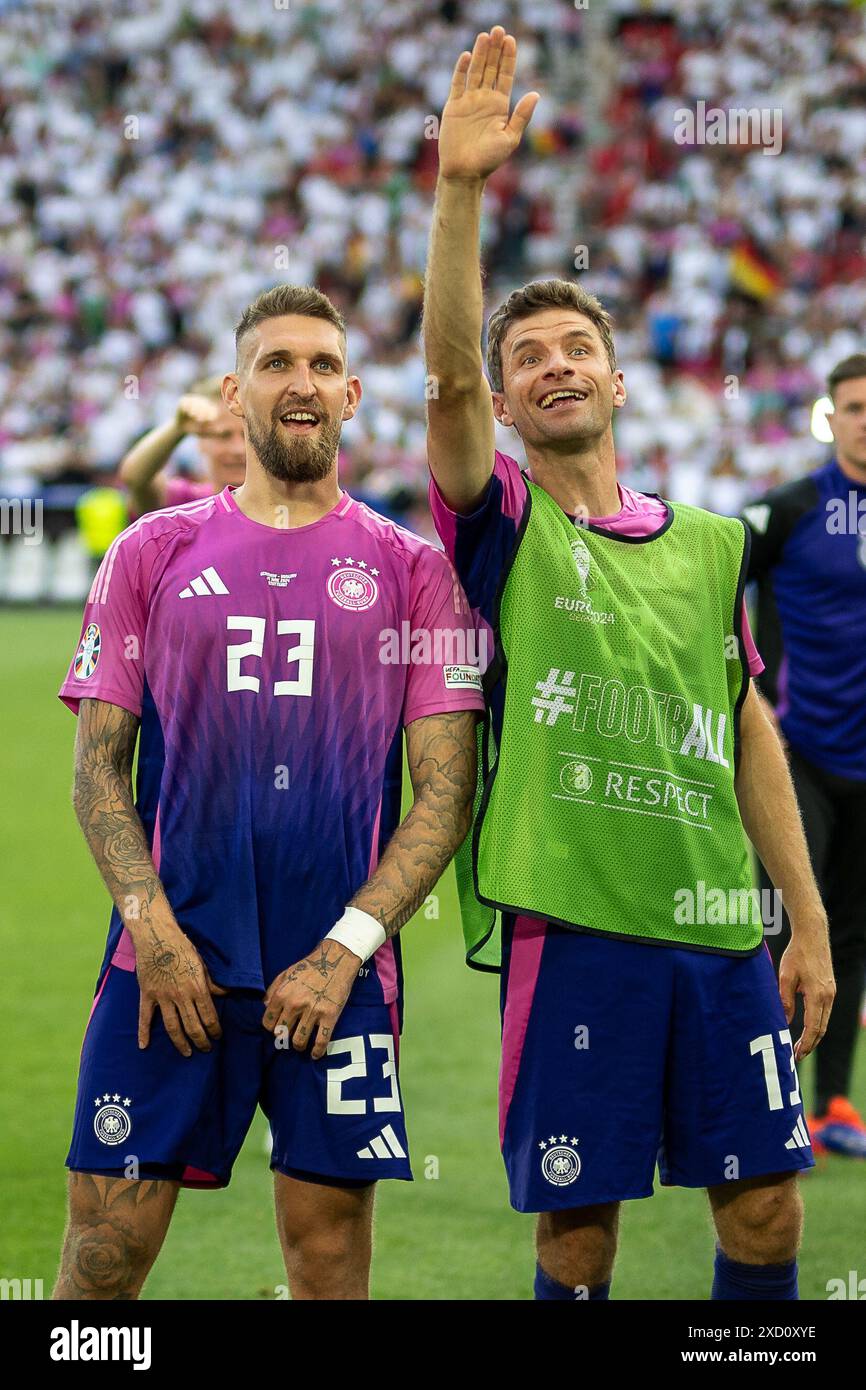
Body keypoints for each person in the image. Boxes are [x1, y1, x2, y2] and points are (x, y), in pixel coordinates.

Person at [423, 27, 835, 1301]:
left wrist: (804, 918)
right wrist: (458, 189)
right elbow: (439, 381)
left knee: (764, 1212)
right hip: (576, 924)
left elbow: (747, 726)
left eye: (571, 348)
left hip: (718, 925)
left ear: (613, 374)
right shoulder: (500, 522)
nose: (552, 365)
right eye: (524, 357)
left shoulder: (712, 542)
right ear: (504, 395)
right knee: (579, 1235)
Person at [53, 284, 482, 1301]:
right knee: (99, 1267)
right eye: (278, 362)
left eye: (323, 365)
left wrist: (343, 952)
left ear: (352, 396)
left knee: (329, 1271)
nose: (302, 382)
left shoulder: (413, 572)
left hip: (337, 983)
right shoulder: (150, 552)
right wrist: (151, 931)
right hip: (162, 965)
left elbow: (444, 796)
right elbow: (96, 769)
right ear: (234, 391)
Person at [742, 354, 866, 1159]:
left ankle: (835, 1108)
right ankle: (762, 1101)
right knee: (783, 924)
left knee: (852, 935)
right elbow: (706, 586)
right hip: (798, 759)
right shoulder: (789, 510)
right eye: (855, 407)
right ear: (832, 417)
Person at [117, 376, 247, 515]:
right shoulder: (185, 504)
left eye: (248, 436)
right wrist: (178, 427)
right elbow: (136, 479)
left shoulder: (273, 510)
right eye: (223, 436)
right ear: (200, 442)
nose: (238, 449)